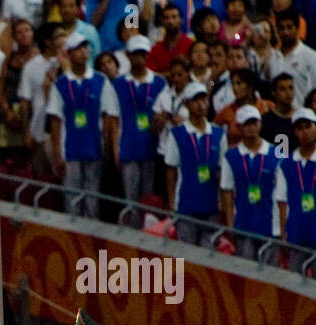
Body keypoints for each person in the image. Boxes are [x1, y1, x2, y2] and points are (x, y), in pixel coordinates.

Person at [47, 33, 119, 219]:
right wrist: (57, 153)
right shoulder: (61, 84)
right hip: (69, 151)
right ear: (69, 53)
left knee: (92, 200)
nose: (83, 52)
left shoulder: (100, 80)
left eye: (85, 48)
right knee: (72, 200)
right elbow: (55, 120)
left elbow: (109, 116)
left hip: (94, 148)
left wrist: (108, 149)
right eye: (78, 49)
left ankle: (91, 243)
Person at [164, 81, 226, 247]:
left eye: (203, 99)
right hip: (186, 202)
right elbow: (171, 170)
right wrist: (171, 203)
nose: (201, 105)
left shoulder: (218, 133)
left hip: (211, 203)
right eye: (196, 100)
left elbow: (222, 171)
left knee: (209, 254)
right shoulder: (177, 134)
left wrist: (221, 199)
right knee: (186, 253)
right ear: (186, 103)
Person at [274, 107, 316, 279]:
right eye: (300, 128)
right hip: (296, 233)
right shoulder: (286, 164)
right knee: (294, 284)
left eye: (308, 126)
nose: (305, 132)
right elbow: (281, 201)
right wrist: (283, 232)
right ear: (295, 132)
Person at [220, 104, 280, 262]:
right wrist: (230, 225)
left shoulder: (276, 154)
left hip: (270, 225)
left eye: (254, 122)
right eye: (246, 124)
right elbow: (227, 192)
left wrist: (282, 226)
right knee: (246, 274)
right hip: (243, 224)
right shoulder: (230, 156)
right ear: (239, 127)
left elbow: (282, 194)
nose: (251, 128)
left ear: (260, 123)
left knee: (270, 275)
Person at [113, 34, 165, 206]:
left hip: (151, 147)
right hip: (128, 147)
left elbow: (165, 113)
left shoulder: (159, 82)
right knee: (131, 198)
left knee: (148, 198)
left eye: (143, 54)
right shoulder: (118, 83)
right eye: (135, 54)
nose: (140, 59)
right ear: (128, 55)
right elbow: (113, 119)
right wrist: (115, 149)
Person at [270, 9, 316, 110]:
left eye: (290, 27)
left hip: (304, 117)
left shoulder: (312, 57)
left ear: (297, 28)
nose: (286, 32)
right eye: (281, 28)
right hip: (280, 117)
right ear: (277, 30)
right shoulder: (272, 57)